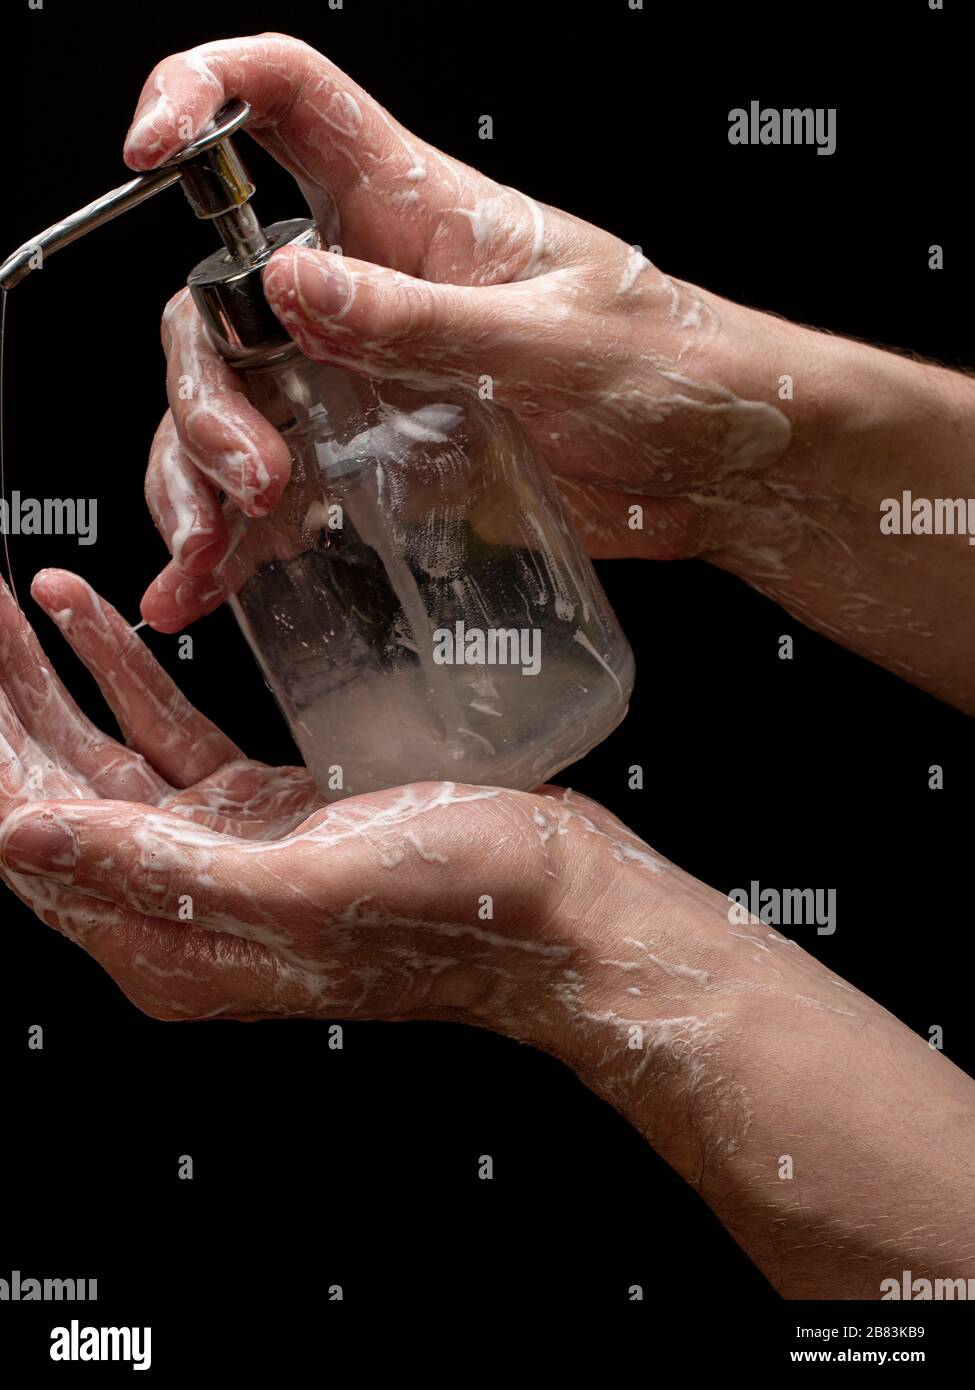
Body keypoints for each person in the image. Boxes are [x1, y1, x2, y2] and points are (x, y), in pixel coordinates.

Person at [1, 34, 972, 1300]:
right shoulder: (406, 428)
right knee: (271, 480)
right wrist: (751, 461)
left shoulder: (448, 409)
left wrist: (577, 934)